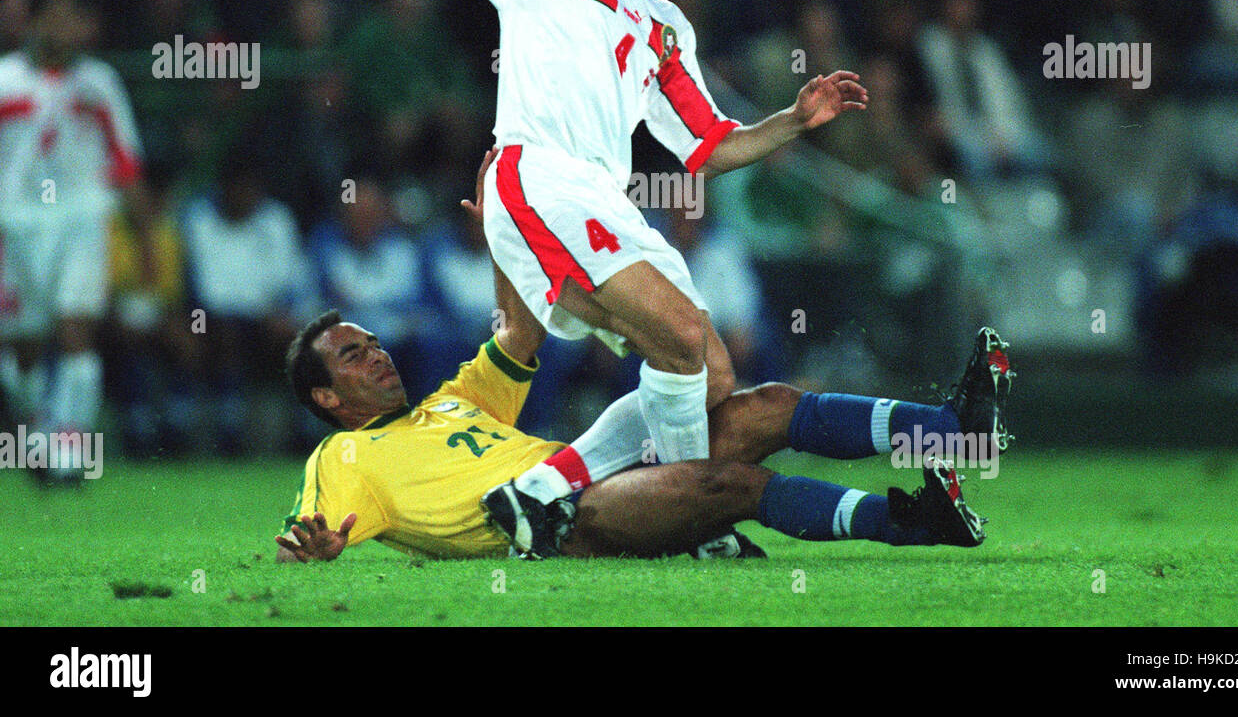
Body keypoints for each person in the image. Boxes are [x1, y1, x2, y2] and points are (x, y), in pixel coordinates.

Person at [406, 0, 868, 489]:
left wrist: (793, 122)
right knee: (681, 340)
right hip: (542, 178)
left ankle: (543, 490)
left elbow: (710, 148)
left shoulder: (663, 22)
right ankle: (688, 511)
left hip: (606, 202)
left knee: (710, 372)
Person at [274, 161, 1015, 563]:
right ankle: (911, 525)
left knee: (767, 405)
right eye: (351, 356)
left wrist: (506, 236)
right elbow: (310, 535)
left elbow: (519, 335)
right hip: (569, 524)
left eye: (370, 343)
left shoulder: (455, 401)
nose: (374, 356)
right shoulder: (347, 456)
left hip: (596, 471)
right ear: (328, 398)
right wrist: (317, 547)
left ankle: (951, 430)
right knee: (729, 484)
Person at [0, 0, 156, 478]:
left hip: (81, 220)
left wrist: (146, 240)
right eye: (60, 17)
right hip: (16, 226)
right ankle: (37, 427)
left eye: (77, 19)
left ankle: (70, 448)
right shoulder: (5, 81)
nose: (69, 29)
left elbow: (127, 163)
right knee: (21, 349)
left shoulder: (99, 84)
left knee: (75, 327)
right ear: (36, 19)